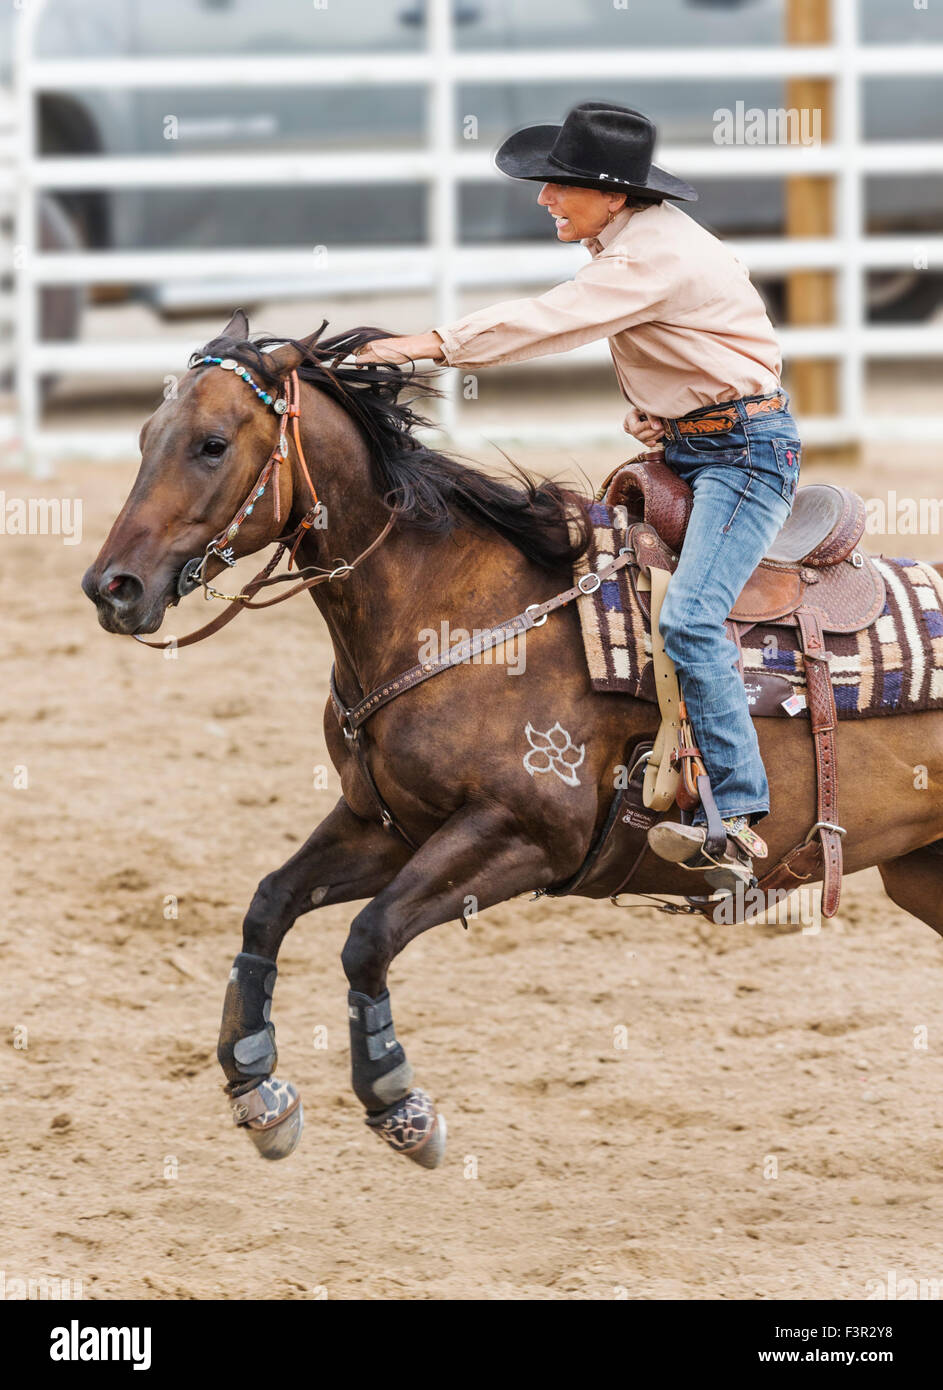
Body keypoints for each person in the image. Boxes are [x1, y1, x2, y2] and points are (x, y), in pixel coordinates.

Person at [353, 101, 801, 893]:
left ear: (613, 194)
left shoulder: (652, 256)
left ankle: (736, 817)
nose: (544, 199)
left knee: (690, 618)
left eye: (558, 184)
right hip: (702, 445)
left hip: (741, 460)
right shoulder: (637, 244)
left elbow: (548, 322)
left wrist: (429, 346)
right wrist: (669, 411)